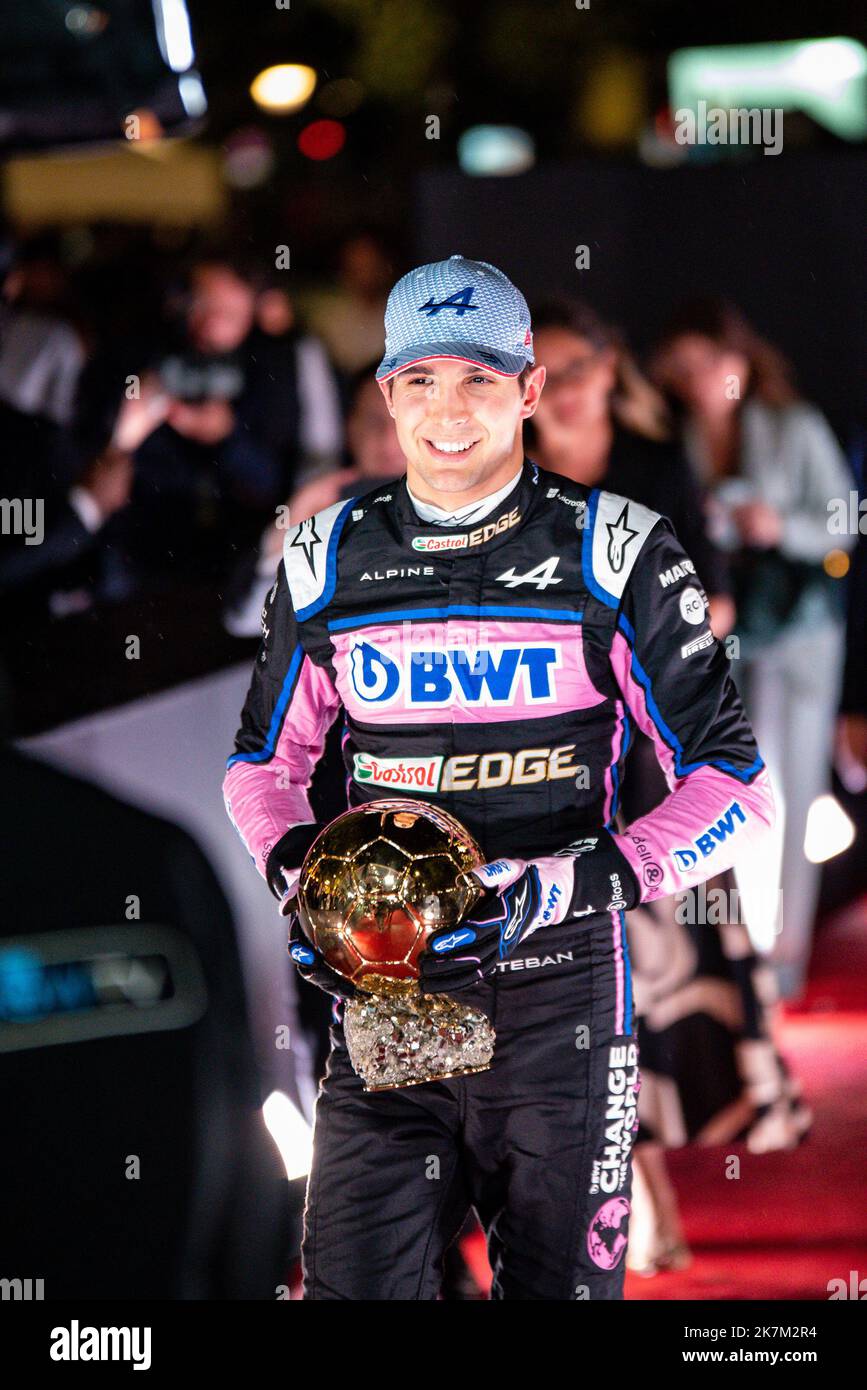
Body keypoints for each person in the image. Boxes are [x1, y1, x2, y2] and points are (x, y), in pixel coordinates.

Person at [222, 254, 775, 1301]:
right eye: (421, 380)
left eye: (479, 379)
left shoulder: (621, 549)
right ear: (387, 395)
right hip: (387, 996)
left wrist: (575, 883)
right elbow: (261, 764)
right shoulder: (326, 556)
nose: (448, 411)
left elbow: (734, 784)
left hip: (562, 1000)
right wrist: (297, 867)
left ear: (529, 389)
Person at [652, 299, 854, 999]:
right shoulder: (669, 437)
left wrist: (778, 526)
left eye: (706, 362)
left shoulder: (789, 425)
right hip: (716, 639)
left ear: (737, 360)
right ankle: (737, 955)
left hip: (798, 629)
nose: (696, 378)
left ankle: (781, 960)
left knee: (793, 788)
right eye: (680, 368)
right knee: (728, 789)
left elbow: (842, 523)